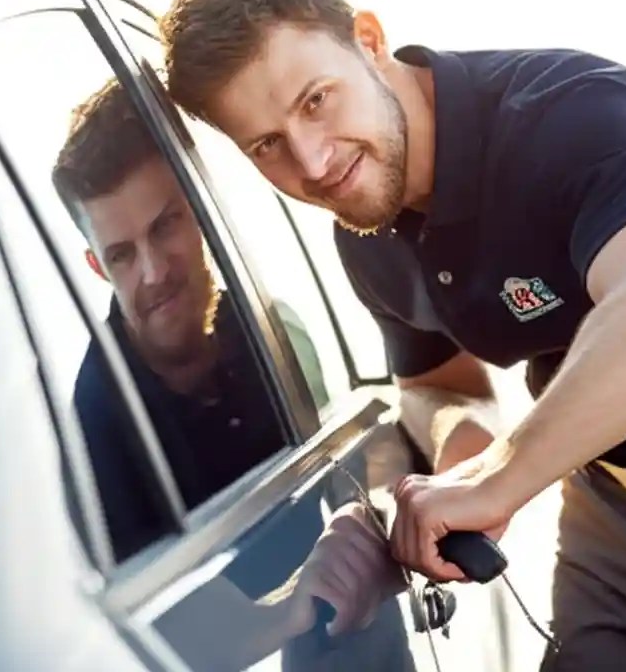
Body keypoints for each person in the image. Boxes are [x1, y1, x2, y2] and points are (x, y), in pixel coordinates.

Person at [157, 0, 626, 670]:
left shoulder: (575, 116)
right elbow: (441, 388)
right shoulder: (366, 234)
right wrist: (450, 466)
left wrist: (502, 476)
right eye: (266, 145)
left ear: (368, 40)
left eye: (315, 101)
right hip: (610, 526)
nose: (311, 163)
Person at [50, 78, 413, 670]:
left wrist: (374, 510)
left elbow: (359, 469)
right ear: (96, 265)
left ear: (203, 211)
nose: (152, 272)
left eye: (165, 226)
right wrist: (290, 613)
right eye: (121, 254)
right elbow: (149, 637)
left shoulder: (277, 332)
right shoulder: (97, 432)